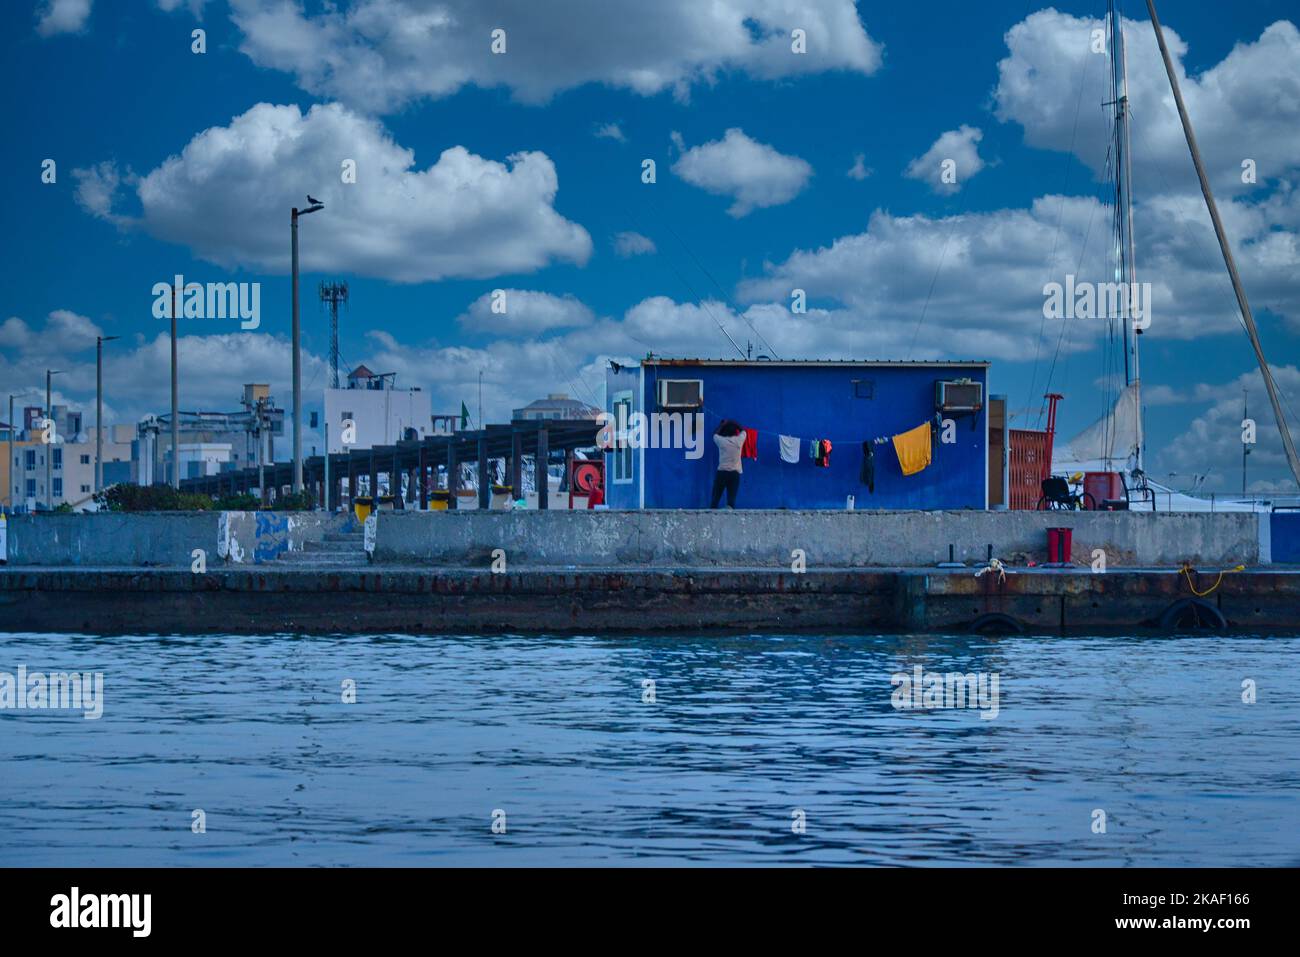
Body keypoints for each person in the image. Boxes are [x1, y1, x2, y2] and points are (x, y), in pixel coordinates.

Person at [710, 420, 745, 508]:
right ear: (735, 432)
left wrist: (722, 425)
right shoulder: (739, 441)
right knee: (731, 501)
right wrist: (733, 422)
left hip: (722, 473)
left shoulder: (721, 441)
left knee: (715, 499)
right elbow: (743, 430)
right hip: (734, 474)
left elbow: (714, 434)